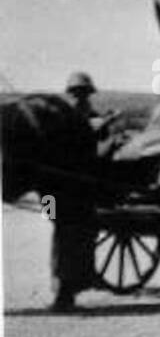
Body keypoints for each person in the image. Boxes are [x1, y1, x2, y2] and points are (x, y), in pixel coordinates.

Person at [50, 73, 100, 311]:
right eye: (77, 93)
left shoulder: (80, 114)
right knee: (66, 234)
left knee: (77, 234)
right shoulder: (65, 118)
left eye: (83, 93)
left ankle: (72, 286)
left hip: (76, 191)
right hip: (68, 191)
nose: (80, 97)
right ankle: (66, 289)